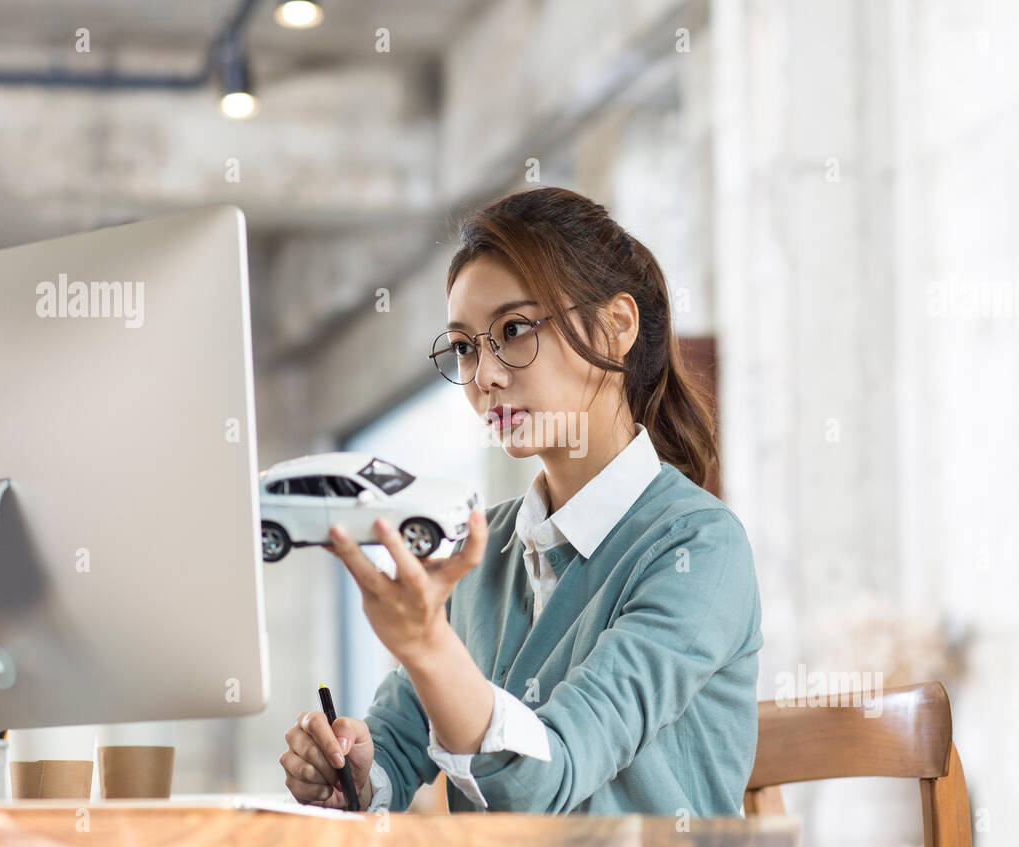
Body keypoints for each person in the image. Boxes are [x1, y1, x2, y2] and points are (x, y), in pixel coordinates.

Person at [280, 185, 763, 815]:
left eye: (512, 330)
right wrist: (356, 770)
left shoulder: (698, 547)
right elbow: (398, 744)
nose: (484, 376)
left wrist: (428, 645)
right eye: (464, 347)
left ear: (615, 328)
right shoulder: (483, 544)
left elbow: (550, 777)